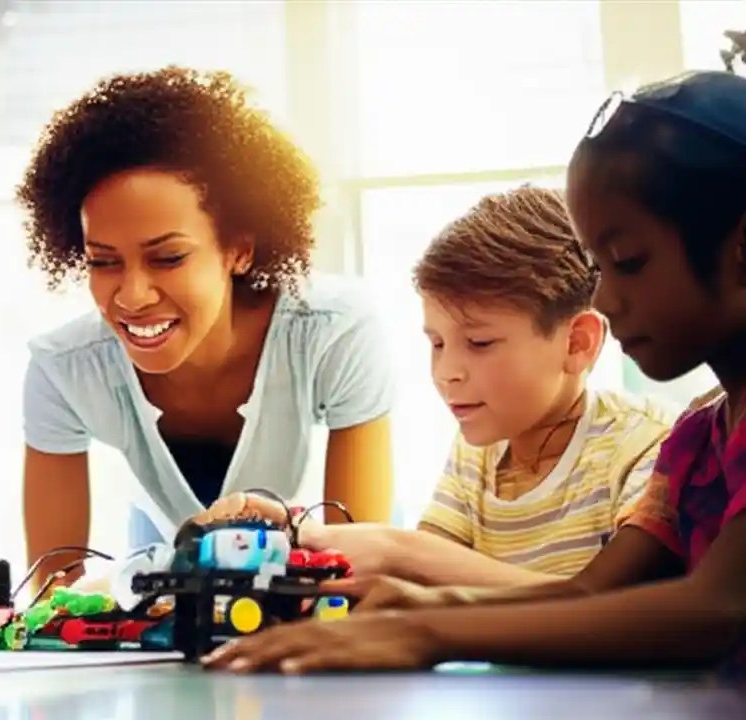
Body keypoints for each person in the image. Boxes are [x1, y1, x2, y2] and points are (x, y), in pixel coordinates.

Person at [203, 69, 746, 675]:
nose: (609, 299)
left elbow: (720, 608)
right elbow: (592, 593)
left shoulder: (655, 438)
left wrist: (430, 629)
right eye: (598, 269)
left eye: (628, 262)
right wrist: (429, 604)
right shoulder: (698, 437)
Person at [17, 66, 395, 587]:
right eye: (103, 262)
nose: (131, 295)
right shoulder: (64, 369)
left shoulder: (334, 332)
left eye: (168, 258)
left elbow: (358, 565)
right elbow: (51, 589)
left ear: (238, 249)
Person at [194, 186, 675, 587]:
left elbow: (619, 608)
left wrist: (398, 548)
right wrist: (303, 541)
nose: (448, 371)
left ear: (578, 342)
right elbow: (421, 582)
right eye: (437, 343)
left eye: (480, 342)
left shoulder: (647, 446)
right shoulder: (479, 453)